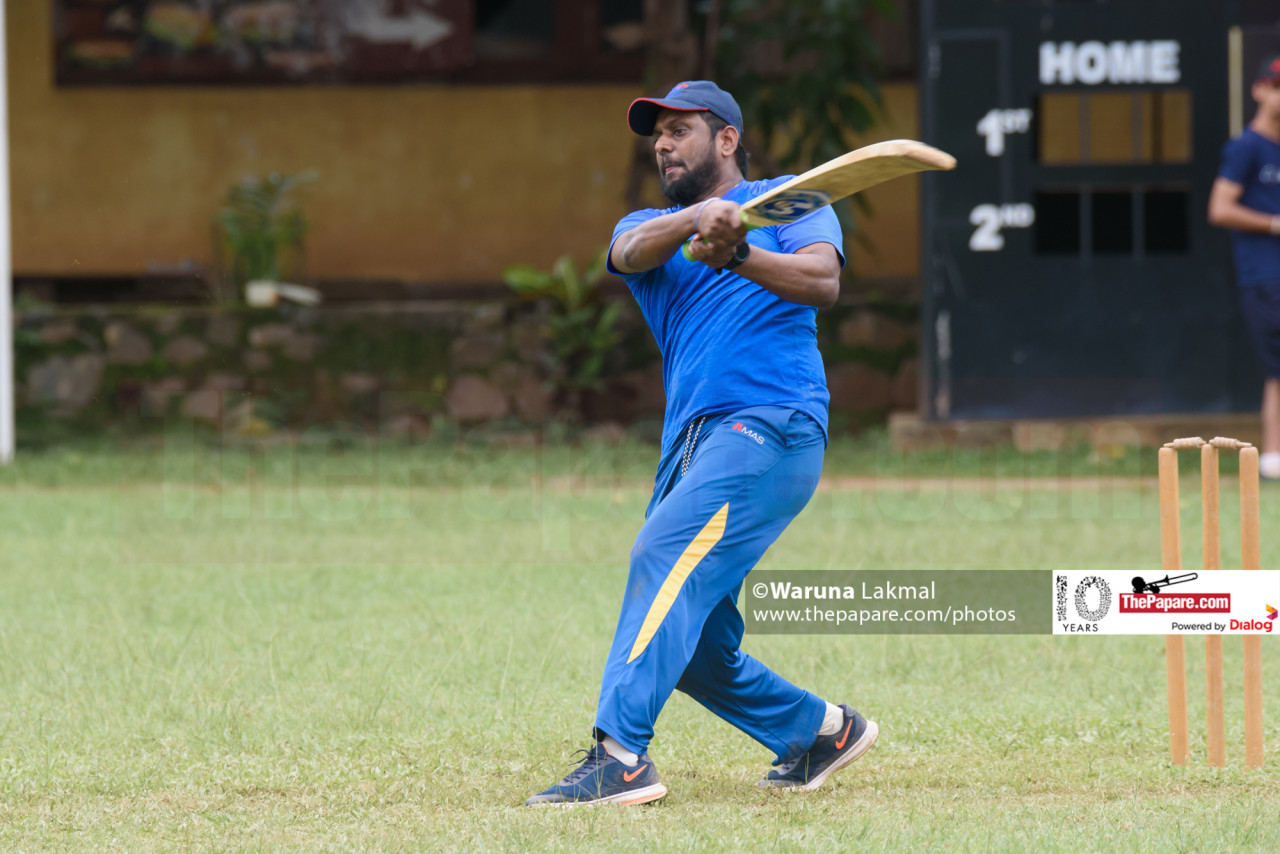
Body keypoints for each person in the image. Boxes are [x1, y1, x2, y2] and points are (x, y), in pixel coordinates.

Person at [525, 81, 878, 807]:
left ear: (725, 139)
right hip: (692, 444)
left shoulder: (793, 199)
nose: (662, 143)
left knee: (661, 557)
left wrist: (738, 251)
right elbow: (624, 250)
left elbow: (820, 282)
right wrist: (698, 220)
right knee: (691, 647)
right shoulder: (654, 226)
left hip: (772, 426)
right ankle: (820, 732)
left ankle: (619, 758)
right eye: (657, 133)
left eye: (679, 129)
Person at [1210, 52, 1280, 479]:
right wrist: (1275, 223)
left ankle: (1273, 457)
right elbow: (1220, 208)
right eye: (1277, 87)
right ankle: (1272, 457)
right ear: (1259, 90)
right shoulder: (1247, 147)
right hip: (1266, 276)